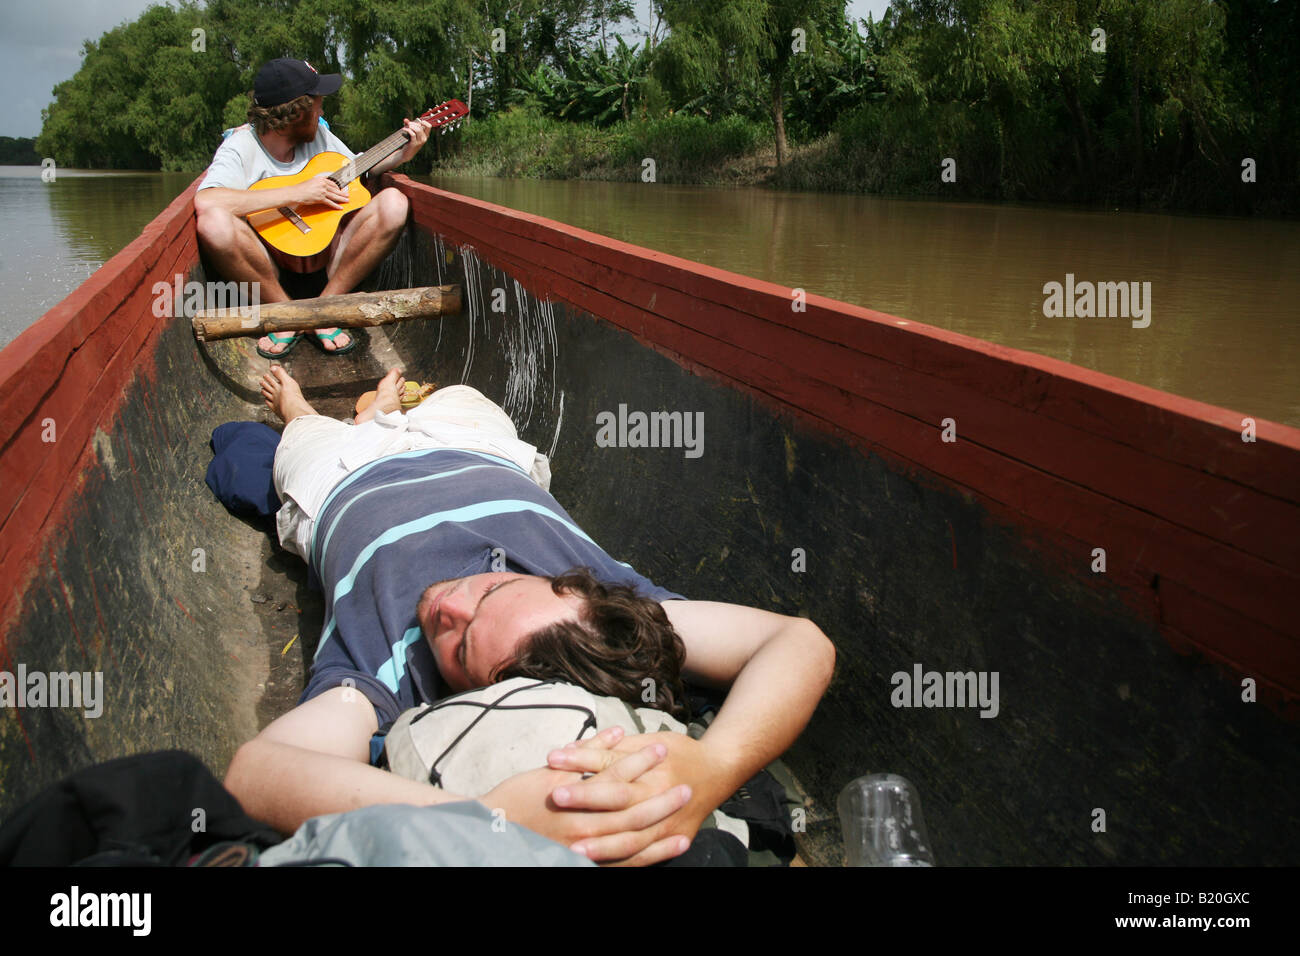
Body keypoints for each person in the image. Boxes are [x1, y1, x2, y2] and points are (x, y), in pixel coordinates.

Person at [223, 366, 835, 865]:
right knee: (457, 391)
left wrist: (487, 823)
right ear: (574, 593)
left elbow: (256, 774)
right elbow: (800, 640)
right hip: (476, 443)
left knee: (304, 430)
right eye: (490, 592)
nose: (445, 604)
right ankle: (382, 404)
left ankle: (311, 407)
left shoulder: (384, 667)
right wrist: (717, 762)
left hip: (340, 476)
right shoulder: (608, 602)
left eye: (458, 648)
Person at [193, 58, 431, 358]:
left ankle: (324, 308)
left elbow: (356, 168)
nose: (322, 111)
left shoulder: (318, 133)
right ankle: (283, 312)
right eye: (317, 104)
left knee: (394, 203)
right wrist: (298, 193)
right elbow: (206, 201)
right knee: (213, 224)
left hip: (325, 260)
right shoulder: (240, 146)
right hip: (268, 266)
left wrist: (406, 150)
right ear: (295, 112)